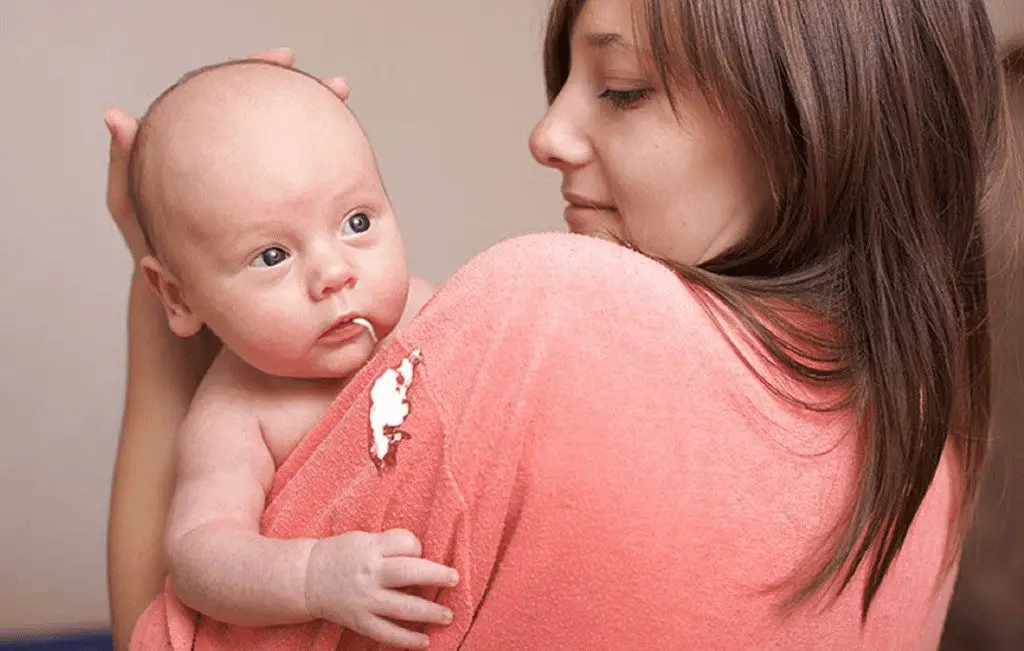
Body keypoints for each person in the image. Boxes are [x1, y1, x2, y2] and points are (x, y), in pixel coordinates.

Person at [105, 0, 1009, 648]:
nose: (546, 132)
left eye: (621, 89)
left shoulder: (546, 314)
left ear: (813, 112)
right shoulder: (933, 419)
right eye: (273, 253)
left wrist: (168, 294)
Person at [120, 59, 458, 649]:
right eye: (272, 256)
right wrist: (312, 576)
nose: (333, 273)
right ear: (177, 296)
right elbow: (199, 556)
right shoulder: (237, 412)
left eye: (357, 221)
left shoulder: (435, 312)